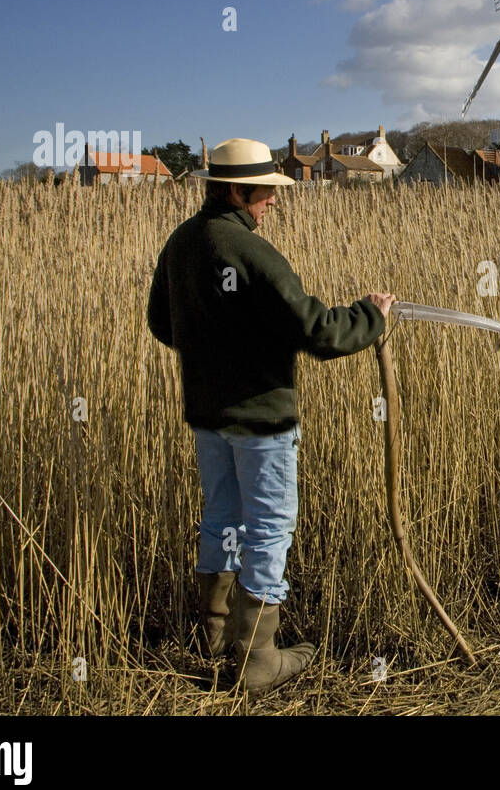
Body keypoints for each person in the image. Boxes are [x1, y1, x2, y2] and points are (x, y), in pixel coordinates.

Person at [146, 137, 394, 694]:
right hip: (261, 420)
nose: (274, 202)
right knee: (268, 526)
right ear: (237, 190)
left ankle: (214, 636)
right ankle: (258, 656)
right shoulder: (252, 253)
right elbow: (320, 332)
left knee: (223, 518)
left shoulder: (182, 243)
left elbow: (163, 324)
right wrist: (370, 317)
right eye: (266, 193)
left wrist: (218, 347)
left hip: (208, 413)